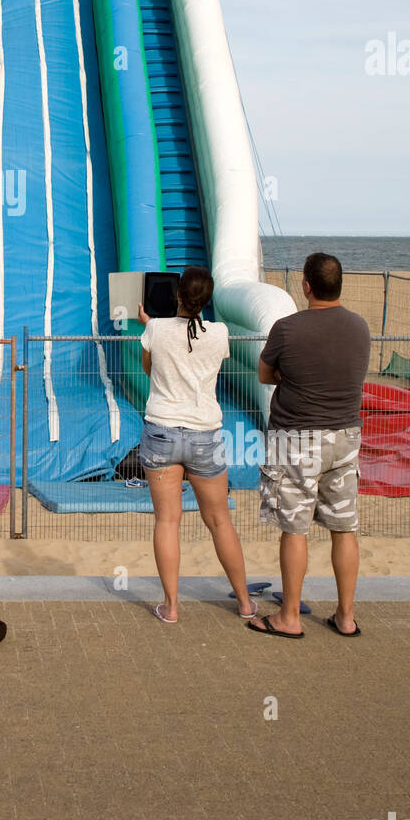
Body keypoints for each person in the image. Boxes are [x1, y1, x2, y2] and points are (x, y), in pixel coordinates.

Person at [250, 252, 370, 639]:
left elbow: (265, 374)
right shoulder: (359, 327)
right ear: (339, 284)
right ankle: (346, 617)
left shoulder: (287, 328)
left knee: (295, 529)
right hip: (346, 437)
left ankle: (289, 617)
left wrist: (290, 374)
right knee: (343, 528)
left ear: (306, 285)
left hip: (298, 438)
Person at [138, 267, 256, 624]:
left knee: (167, 521)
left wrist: (148, 324)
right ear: (207, 299)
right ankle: (245, 603)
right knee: (220, 521)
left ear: (178, 294)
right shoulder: (220, 333)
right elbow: (203, 360)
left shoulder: (156, 329)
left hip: (162, 430)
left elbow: (150, 369)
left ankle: (171, 607)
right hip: (205, 432)